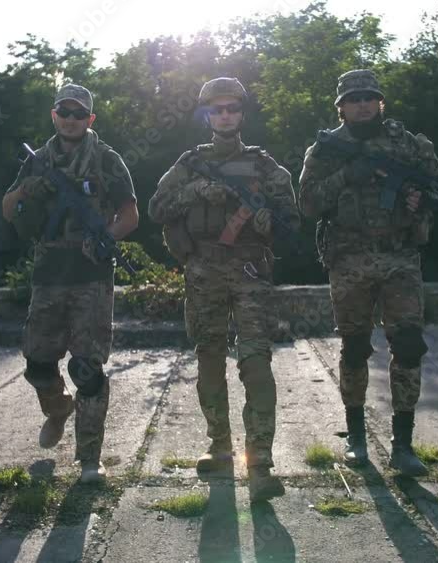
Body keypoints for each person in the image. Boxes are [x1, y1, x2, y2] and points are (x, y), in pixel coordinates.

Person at [148, 77, 299, 502]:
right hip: (204, 271)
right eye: (217, 109)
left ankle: (260, 462)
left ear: (242, 114)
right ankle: (219, 448)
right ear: (207, 116)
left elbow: (293, 223)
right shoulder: (190, 164)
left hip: (251, 270)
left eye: (232, 108)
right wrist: (196, 191)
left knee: (256, 362)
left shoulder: (264, 166)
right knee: (209, 359)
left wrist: (271, 221)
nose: (226, 115)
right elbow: (156, 209)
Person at [298, 69, 438, 476]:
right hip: (349, 260)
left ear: (380, 102)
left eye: (368, 98)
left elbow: (433, 189)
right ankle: (357, 440)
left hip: (400, 257)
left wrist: (419, 201)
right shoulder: (325, 150)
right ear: (341, 107)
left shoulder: (408, 144)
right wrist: (347, 175)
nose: (362, 105)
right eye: (353, 99)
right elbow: (307, 204)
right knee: (355, 347)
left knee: (408, 345)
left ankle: (403, 445)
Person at [2, 84, 139, 484]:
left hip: (91, 275)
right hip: (49, 273)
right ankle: (58, 408)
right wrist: (26, 189)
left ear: (90, 119)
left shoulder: (106, 159)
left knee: (87, 368)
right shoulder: (38, 160)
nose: (71, 119)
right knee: (38, 363)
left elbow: (131, 215)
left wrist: (106, 237)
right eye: (64, 112)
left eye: (79, 113)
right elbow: (7, 210)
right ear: (54, 115)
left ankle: (89, 460)